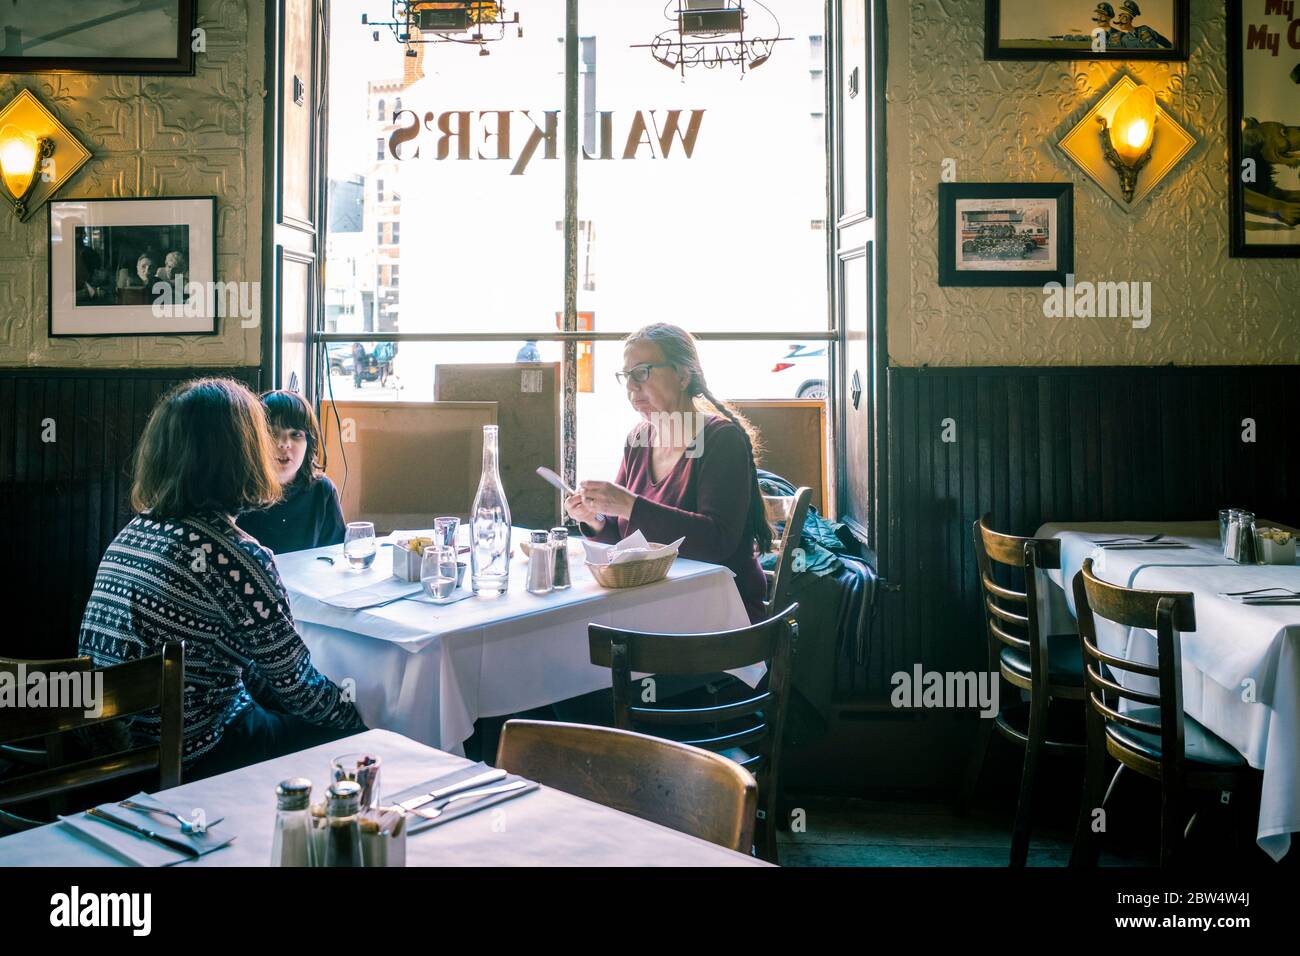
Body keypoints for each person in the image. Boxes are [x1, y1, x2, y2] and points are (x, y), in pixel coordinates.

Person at [78, 378, 365, 780]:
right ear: (243, 455)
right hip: (193, 751)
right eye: (263, 437)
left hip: (112, 752)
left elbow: (252, 667)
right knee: (349, 739)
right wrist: (364, 722)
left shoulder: (135, 532)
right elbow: (299, 687)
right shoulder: (235, 556)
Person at [565, 322, 773, 623]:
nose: (631, 386)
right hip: (652, 600)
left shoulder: (720, 439)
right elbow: (624, 538)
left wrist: (629, 505)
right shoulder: (639, 439)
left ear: (683, 375)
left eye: (642, 372)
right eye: (626, 376)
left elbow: (717, 541)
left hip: (718, 609)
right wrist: (595, 518)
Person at [236, 390, 347, 554]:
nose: (284, 444)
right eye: (272, 433)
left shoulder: (322, 491)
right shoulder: (238, 491)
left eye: (296, 434)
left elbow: (336, 554)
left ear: (309, 443)